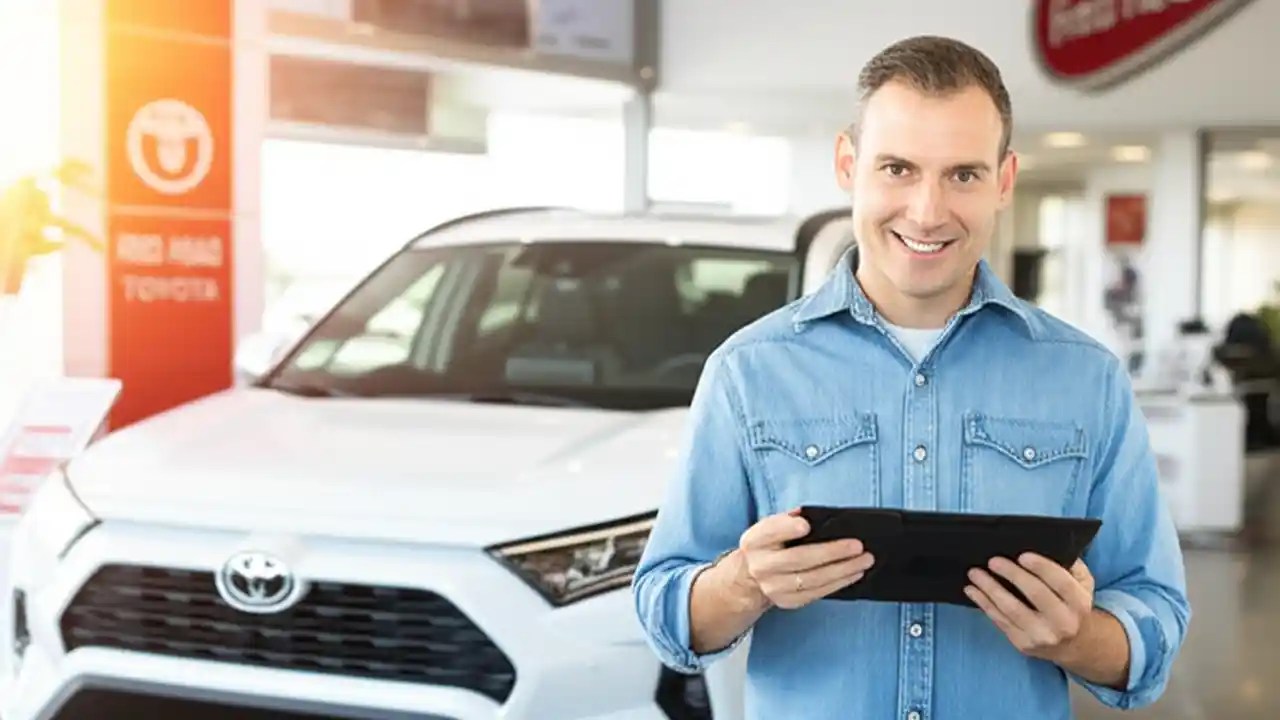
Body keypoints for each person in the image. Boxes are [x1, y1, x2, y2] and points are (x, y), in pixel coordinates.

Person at [632, 35, 1190, 719]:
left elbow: (1155, 621)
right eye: (898, 168)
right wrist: (744, 583)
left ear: (1004, 181)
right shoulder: (747, 372)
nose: (927, 212)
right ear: (848, 164)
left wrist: (1079, 638)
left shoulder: (1088, 381)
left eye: (962, 175)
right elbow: (665, 613)